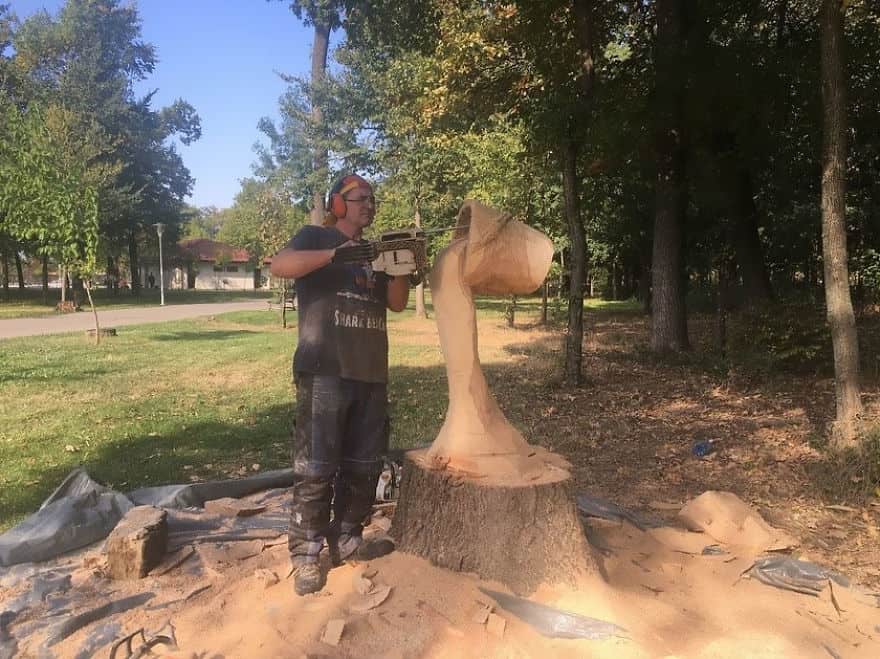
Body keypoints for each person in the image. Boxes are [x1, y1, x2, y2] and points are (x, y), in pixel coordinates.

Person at [270, 174, 410, 595]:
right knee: (316, 466)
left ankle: (348, 538)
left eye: (373, 198)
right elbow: (279, 265)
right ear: (338, 202)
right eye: (360, 198)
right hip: (324, 367)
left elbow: (398, 302)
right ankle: (306, 552)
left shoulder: (378, 251)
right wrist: (336, 253)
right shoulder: (315, 235)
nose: (369, 204)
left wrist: (401, 264)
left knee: (363, 465)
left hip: (370, 370)